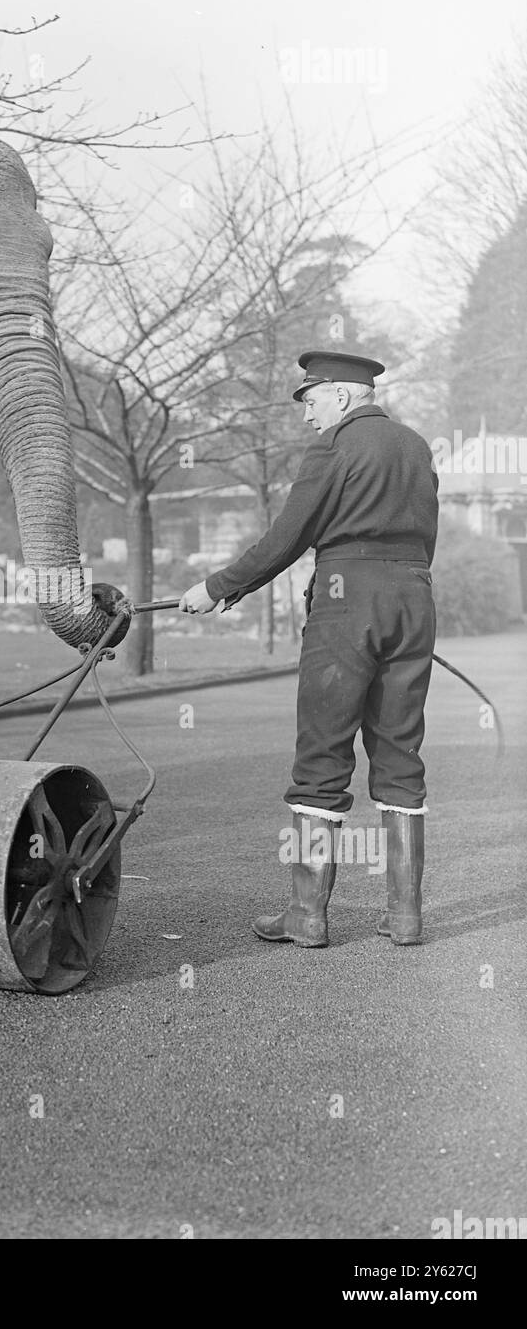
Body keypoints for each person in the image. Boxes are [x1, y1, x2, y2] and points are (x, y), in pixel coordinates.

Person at [180, 351, 438, 947]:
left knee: (321, 760)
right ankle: (404, 917)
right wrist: (402, 596)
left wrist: (218, 587)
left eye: (312, 400)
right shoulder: (418, 446)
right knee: (401, 756)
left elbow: (289, 534)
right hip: (413, 598)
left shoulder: (334, 448)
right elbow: (427, 533)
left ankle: (308, 915)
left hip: (347, 605)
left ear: (344, 397)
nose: (307, 416)